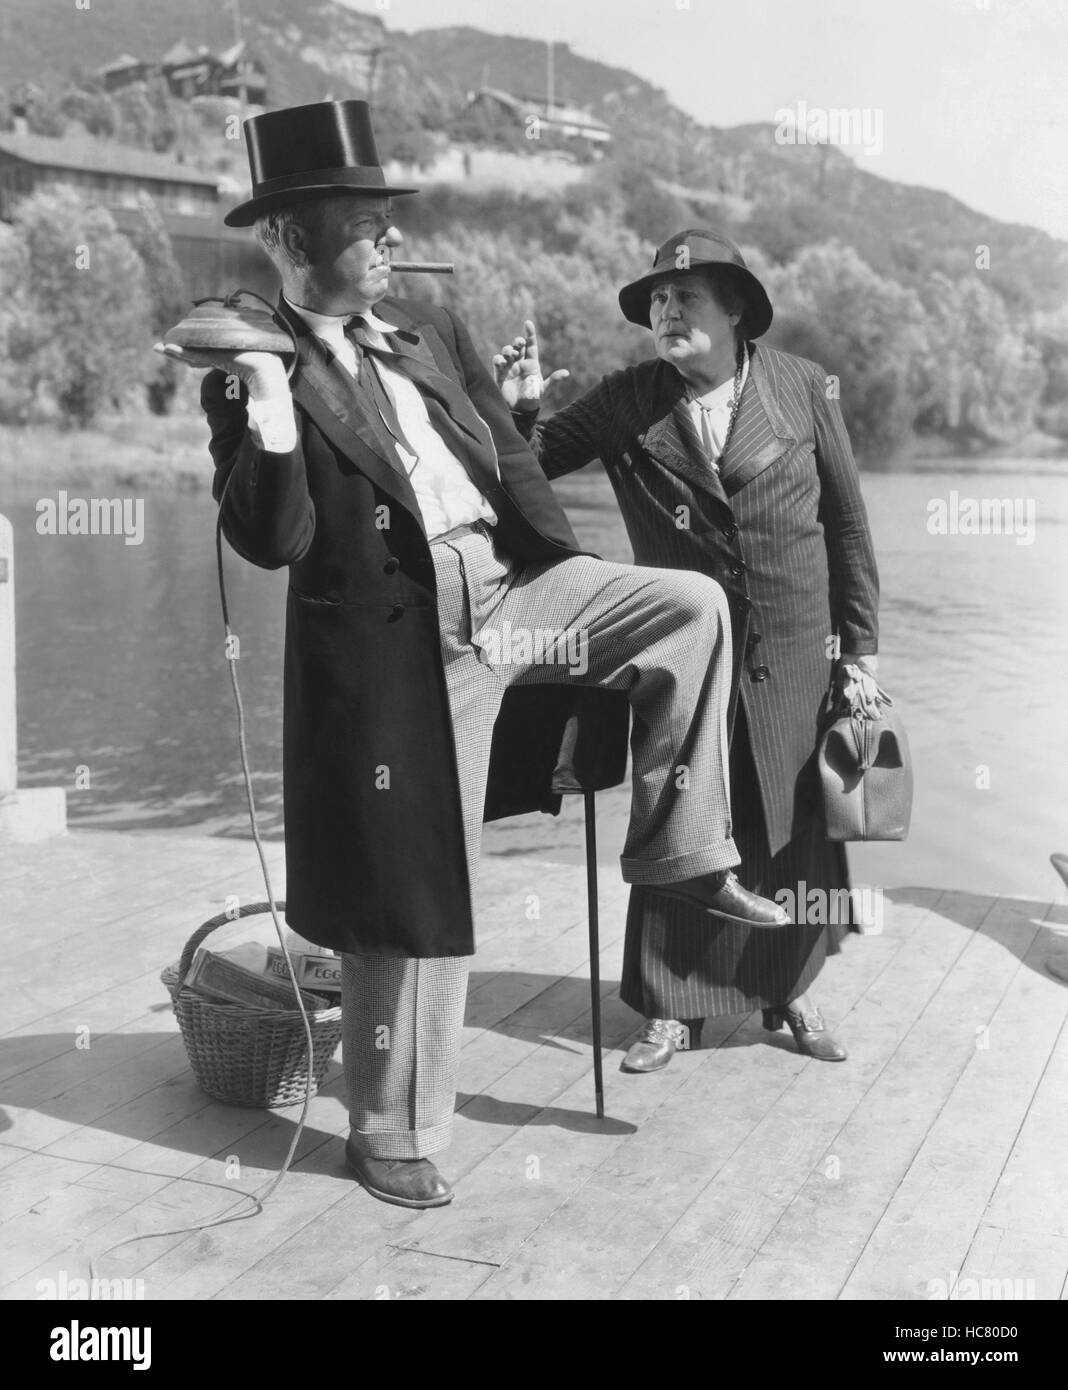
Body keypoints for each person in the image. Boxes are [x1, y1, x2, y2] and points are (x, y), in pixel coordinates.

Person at [160, 111, 789, 1211]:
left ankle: (686, 851)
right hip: (398, 640)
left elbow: (508, 451)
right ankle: (392, 1124)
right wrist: (264, 398)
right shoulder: (257, 364)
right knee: (416, 886)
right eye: (364, 228)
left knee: (689, 605)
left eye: (388, 223)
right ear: (298, 245)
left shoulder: (429, 325)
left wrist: (566, 562)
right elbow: (272, 539)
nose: (390, 243)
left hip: (515, 586)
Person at [494, 228, 880, 1073]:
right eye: (658, 302)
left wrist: (861, 650)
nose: (667, 312)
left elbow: (847, 524)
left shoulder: (803, 386)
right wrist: (518, 408)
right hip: (683, 649)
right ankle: (671, 1009)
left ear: (736, 309)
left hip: (793, 644)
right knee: (680, 810)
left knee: (789, 823)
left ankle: (791, 989)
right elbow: (520, 475)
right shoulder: (627, 399)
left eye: (686, 298)